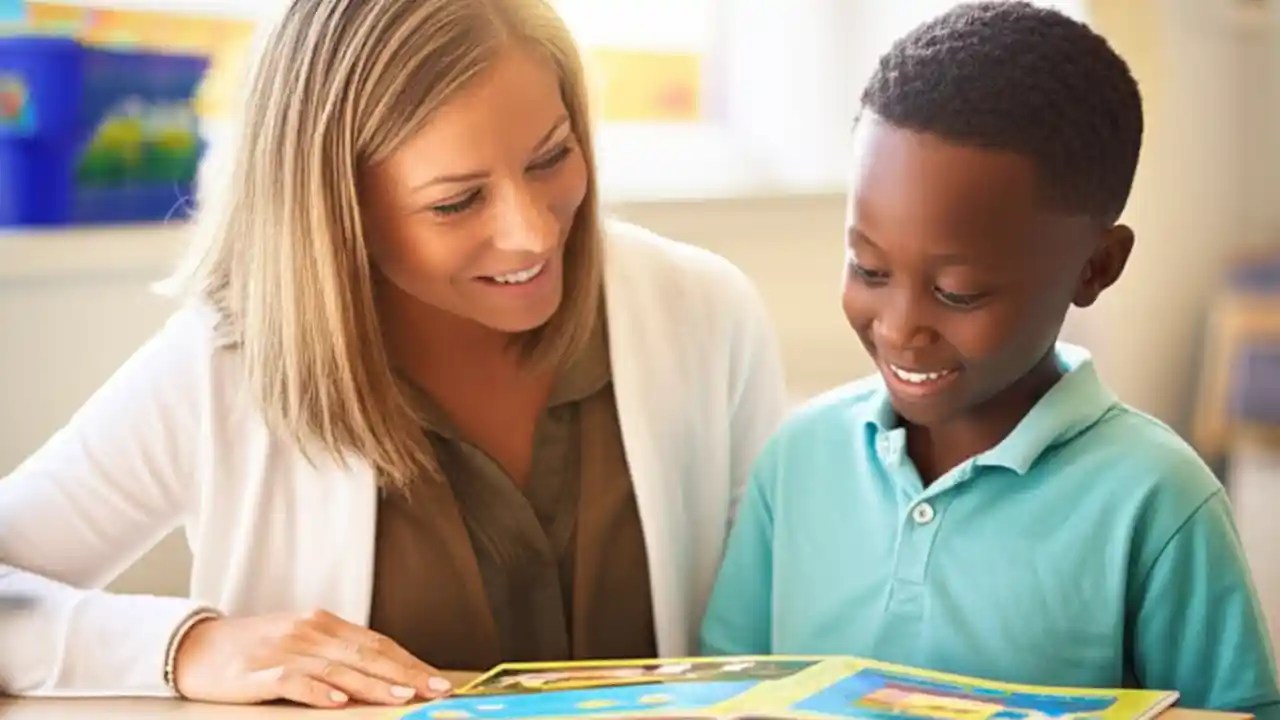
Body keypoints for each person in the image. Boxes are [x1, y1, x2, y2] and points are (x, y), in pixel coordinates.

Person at [0, 0, 788, 709]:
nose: (534, 232)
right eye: (456, 201)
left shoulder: (702, 314)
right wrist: (188, 647)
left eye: (550, 156)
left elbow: (782, 640)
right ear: (335, 208)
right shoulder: (224, 367)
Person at [699, 3, 1280, 718]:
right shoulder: (797, 462)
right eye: (869, 268)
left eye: (957, 291)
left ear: (1095, 267)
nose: (901, 326)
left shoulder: (1157, 501)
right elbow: (720, 692)